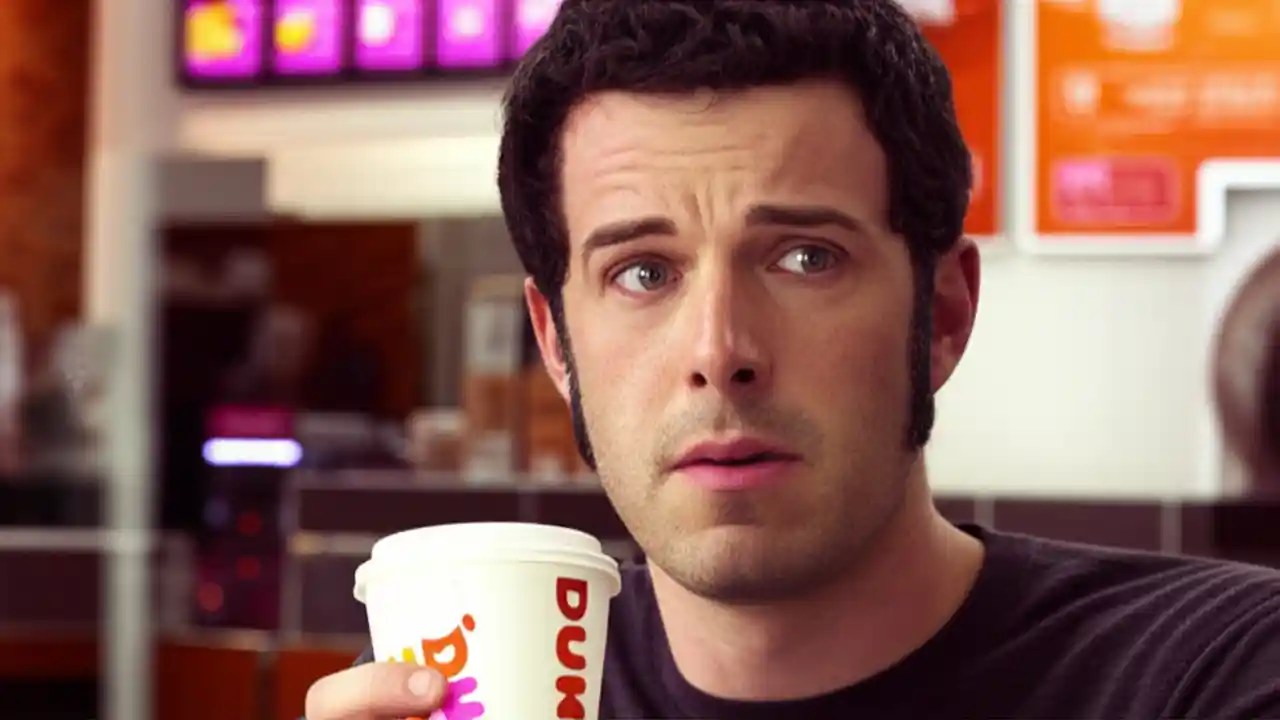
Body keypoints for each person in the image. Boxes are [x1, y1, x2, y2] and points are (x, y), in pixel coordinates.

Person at [304, 1, 1280, 718]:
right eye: (643, 273)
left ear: (943, 312)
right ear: (556, 342)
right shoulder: (471, 692)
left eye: (805, 258)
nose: (718, 351)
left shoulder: (1216, 677)